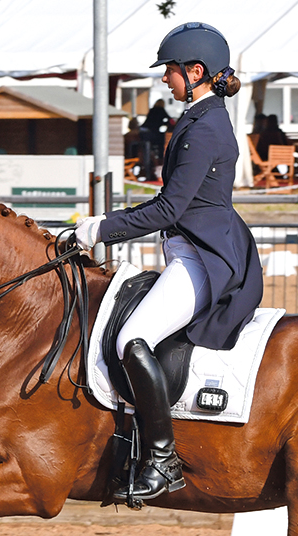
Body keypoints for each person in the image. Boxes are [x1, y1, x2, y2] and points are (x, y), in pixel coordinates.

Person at [73, 21, 263, 504]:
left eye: (171, 72)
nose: (165, 80)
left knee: (131, 339)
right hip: (189, 247)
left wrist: (99, 229)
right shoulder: (200, 117)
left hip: (204, 256)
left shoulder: (206, 127)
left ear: (196, 72)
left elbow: (169, 209)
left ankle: (161, 459)